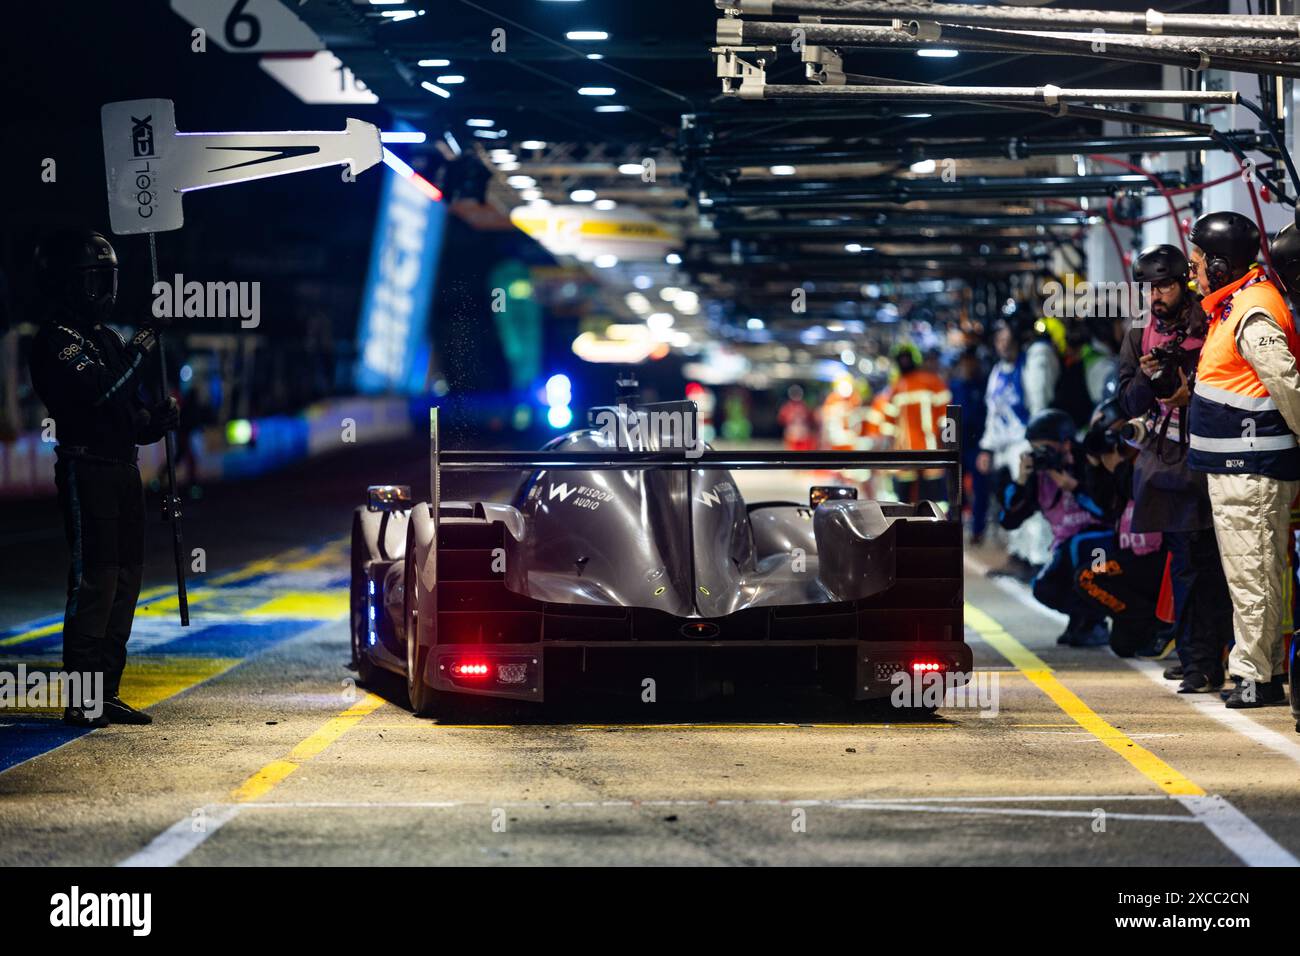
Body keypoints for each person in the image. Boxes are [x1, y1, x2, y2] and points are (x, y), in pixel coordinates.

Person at [26, 229, 176, 728]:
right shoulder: (54, 342)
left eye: (107, 279)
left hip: (123, 470)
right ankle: (81, 697)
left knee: (127, 582)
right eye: (94, 280)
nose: (104, 290)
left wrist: (158, 421)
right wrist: (138, 352)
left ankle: (107, 690)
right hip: (85, 469)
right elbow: (100, 391)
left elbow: (128, 416)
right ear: (66, 283)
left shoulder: (105, 338)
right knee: (96, 583)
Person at [1187, 211, 1300, 708]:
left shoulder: (1251, 311)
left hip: (1251, 471)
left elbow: (1286, 381)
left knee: (1252, 571)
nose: (1192, 273)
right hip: (1241, 469)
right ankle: (1265, 670)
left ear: (1218, 262)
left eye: (1196, 263)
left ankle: (1255, 677)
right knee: (1254, 571)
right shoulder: (1235, 305)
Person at [1116, 243, 1232, 692]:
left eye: (1163, 285)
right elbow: (1126, 402)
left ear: (1183, 282)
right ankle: (1197, 660)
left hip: (1216, 457)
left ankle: (1212, 655)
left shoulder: (1214, 322)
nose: (1156, 295)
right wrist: (1147, 377)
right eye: (1149, 288)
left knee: (1219, 564)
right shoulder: (1137, 338)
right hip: (1170, 464)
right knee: (1186, 563)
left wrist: (1192, 391)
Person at [998, 408, 1110, 646]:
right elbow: (1008, 519)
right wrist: (1021, 480)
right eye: (1035, 449)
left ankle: (1097, 618)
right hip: (1068, 551)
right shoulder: (1038, 476)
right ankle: (1082, 618)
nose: (1041, 455)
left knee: (1081, 548)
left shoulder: (1088, 462)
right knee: (1043, 587)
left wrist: (1074, 487)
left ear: (1066, 444)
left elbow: (1107, 511)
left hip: (1104, 551)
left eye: (1046, 448)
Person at [1076, 399, 1170, 658]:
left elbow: (1136, 488)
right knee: (1123, 645)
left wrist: (1117, 465)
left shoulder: (1150, 454)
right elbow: (1105, 504)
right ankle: (1148, 620)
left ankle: (1154, 620)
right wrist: (1096, 467)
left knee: (1087, 576)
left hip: (1156, 559)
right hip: (1129, 559)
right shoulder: (1117, 466)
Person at [882, 341, 951, 503]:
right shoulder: (897, 387)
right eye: (901, 358)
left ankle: (937, 527)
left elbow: (947, 416)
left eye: (906, 358)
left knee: (934, 498)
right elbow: (888, 423)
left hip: (930, 450)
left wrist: (948, 445)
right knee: (906, 500)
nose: (904, 362)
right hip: (906, 453)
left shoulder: (932, 382)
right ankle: (910, 525)